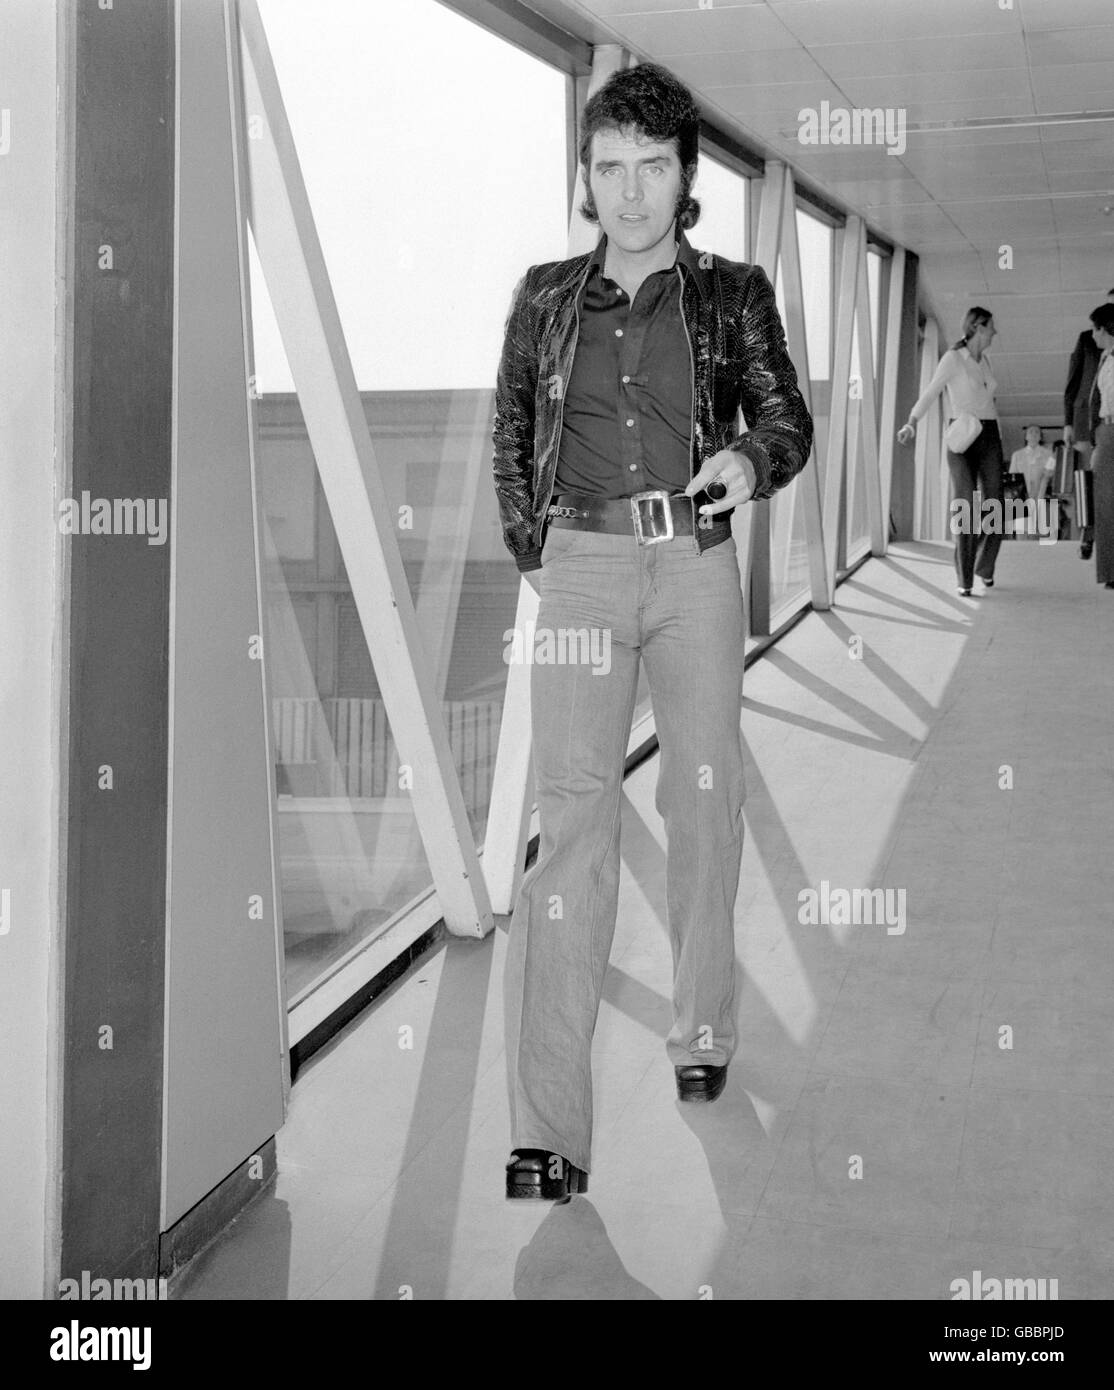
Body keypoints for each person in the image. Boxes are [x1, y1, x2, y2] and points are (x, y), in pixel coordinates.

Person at [491, 62, 812, 1202]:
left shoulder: (732, 293)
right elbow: (509, 437)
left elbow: (785, 414)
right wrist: (554, 557)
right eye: (610, 168)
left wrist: (747, 459)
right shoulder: (541, 297)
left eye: (653, 168)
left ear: (685, 180)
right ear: (585, 178)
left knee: (700, 803)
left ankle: (702, 1029)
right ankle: (550, 1132)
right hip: (578, 568)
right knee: (568, 833)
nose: (630, 192)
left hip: (694, 569)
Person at [897, 308, 1004, 596]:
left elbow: (988, 401)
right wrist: (911, 423)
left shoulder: (985, 362)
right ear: (978, 328)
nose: (995, 332)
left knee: (997, 505)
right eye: (991, 327)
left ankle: (984, 565)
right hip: (962, 436)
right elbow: (931, 392)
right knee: (966, 507)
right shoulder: (954, 359)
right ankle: (965, 578)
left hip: (990, 434)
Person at [1063, 289, 1114, 559]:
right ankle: (1087, 535)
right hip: (1086, 419)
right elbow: (1073, 383)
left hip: (1108, 419)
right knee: (1089, 481)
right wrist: (1068, 423)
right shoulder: (1087, 338)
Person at [1086, 303, 1114, 588]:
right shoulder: (1105, 357)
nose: (1092, 335)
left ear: (1104, 329)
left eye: (1095, 329)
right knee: (1104, 503)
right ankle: (1110, 572)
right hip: (1106, 430)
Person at [1009, 425, 1054, 538]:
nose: (1033, 434)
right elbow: (1013, 478)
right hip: (1022, 498)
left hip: (1041, 496)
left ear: (1040, 437)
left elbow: (1049, 474)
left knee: (1041, 533)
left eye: (1036, 432)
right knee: (1022, 534)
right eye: (1030, 432)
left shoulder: (1049, 454)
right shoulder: (1017, 455)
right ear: (1026, 437)